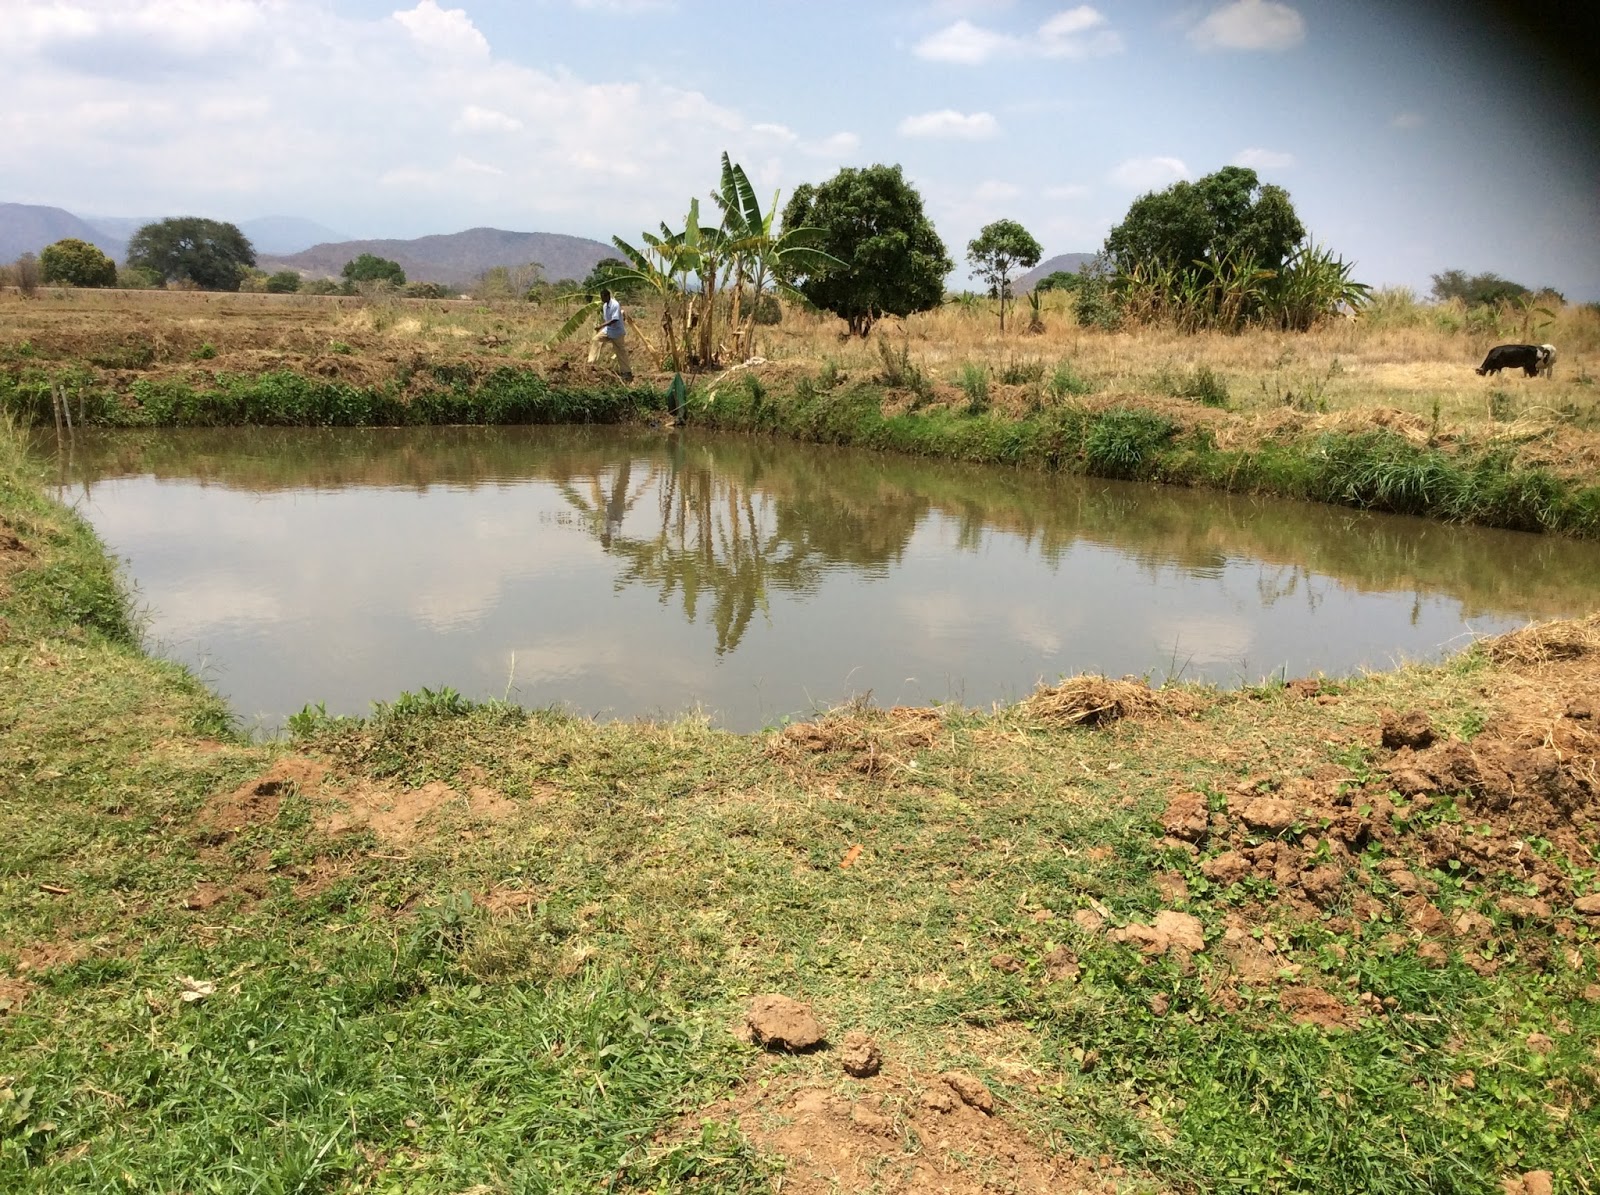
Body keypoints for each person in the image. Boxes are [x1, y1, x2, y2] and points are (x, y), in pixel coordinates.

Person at [587, 288, 633, 381]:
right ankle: (591, 364)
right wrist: (602, 327)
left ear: (607, 296)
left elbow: (614, 319)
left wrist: (601, 326)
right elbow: (607, 319)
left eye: (603, 297)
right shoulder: (604, 306)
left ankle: (627, 372)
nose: (601, 299)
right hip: (608, 330)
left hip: (617, 332)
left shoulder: (615, 304)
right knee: (596, 339)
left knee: (621, 352)